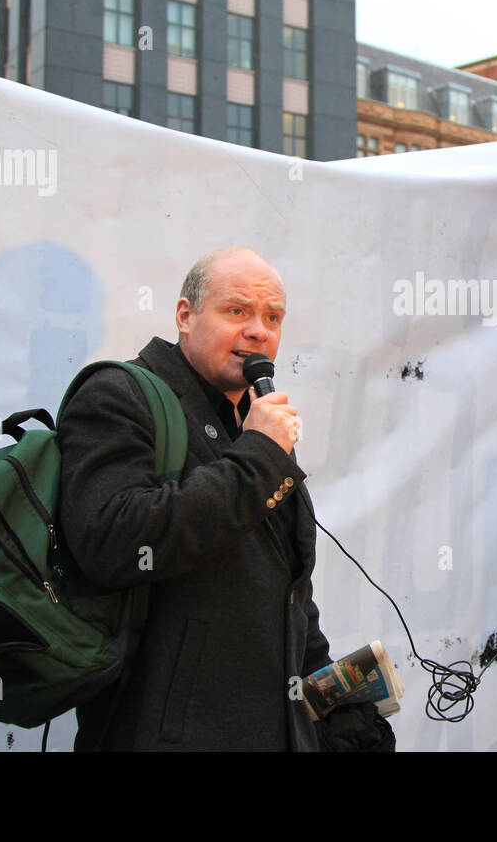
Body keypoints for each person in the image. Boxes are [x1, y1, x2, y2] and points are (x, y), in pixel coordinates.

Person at [57, 247, 348, 751]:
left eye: (273, 317)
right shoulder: (119, 394)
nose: (259, 331)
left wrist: (336, 709)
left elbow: (289, 589)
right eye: (237, 311)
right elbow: (114, 538)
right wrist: (259, 454)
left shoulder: (254, 426)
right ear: (185, 316)